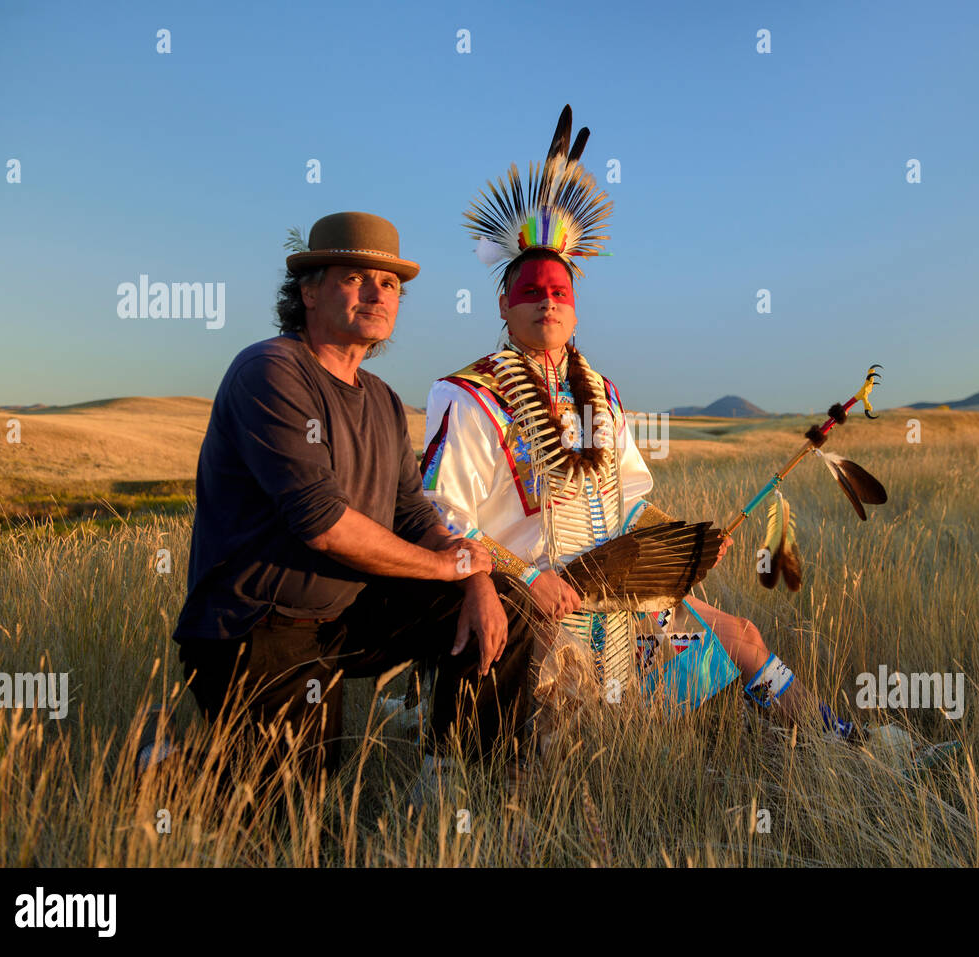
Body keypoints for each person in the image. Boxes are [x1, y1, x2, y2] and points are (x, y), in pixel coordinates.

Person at [420, 108, 858, 737]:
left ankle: (838, 743)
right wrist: (527, 577)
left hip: (620, 595)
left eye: (560, 292)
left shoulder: (601, 393)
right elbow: (443, 515)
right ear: (502, 305)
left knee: (740, 634)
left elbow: (629, 500)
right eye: (531, 290)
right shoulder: (468, 394)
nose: (547, 301)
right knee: (560, 735)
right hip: (535, 606)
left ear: (575, 309)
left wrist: (683, 555)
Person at [169, 211, 538, 798]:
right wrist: (448, 567)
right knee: (288, 817)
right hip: (259, 625)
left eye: (389, 284)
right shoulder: (271, 372)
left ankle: (466, 782)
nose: (377, 293)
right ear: (309, 291)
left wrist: (473, 578)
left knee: (509, 605)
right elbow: (322, 524)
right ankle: (167, 772)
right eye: (355, 278)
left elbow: (414, 514)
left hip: (347, 614)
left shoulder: (385, 402)